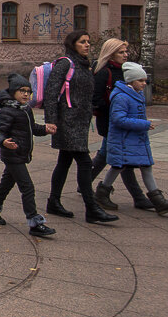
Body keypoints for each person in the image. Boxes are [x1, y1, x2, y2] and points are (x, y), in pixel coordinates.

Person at [43, 30, 119, 224]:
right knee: (85, 163)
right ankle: (91, 208)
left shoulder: (84, 65)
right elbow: (51, 93)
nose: (87, 45)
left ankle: (54, 201)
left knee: (65, 161)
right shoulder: (65, 63)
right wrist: (50, 120)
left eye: (88, 42)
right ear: (72, 45)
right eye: (82, 42)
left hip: (80, 121)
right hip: (66, 121)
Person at [101, 63, 168, 215]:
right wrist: (143, 124)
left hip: (135, 140)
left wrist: (142, 125)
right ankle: (102, 192)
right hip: (124, 140)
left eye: (145, 80)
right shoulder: (121, 97)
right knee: (119, 166)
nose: (144, 84)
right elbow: (118, 119)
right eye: (140, 80)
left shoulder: (135, 95)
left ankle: (158, 200)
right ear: (131, 81)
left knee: (145, 166)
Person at [0, 74, 59, 237]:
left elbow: (32, 128)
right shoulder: (8, 110)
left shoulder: (25, 109)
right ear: (13, 92)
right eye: (22, 91)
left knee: (6, 183)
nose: (26, 94)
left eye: (29, 91)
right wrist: (4, 141)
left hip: (20, 153)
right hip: (12, 154)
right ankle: (34, 222)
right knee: (27, 187)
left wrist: (45, 129)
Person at [90, 38, 153, 211]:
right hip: (112, 122)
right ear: (111, 54)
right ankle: (138, 197)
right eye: (121, 52)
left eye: (126, 52)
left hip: (123, 122)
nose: (125, 55)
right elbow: (96, 100)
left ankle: (85, 183)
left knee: (106, 155)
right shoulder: (104, 72)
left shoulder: (126, 71)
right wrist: (117, 108)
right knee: (123, 160)